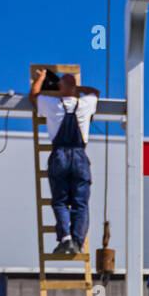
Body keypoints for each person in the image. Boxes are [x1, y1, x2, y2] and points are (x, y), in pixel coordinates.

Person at [32, 69, 99, 257]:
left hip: (60, 155)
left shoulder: (53, 104)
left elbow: (34, 95)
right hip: (79, 157)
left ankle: (66, 239)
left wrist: (41, 78)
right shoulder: (85, 103)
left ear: (60, 88)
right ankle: (77, 242)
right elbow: (96, 92)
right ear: (75, 88)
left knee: (60, 201)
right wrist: (78, 88)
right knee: (81, 203)